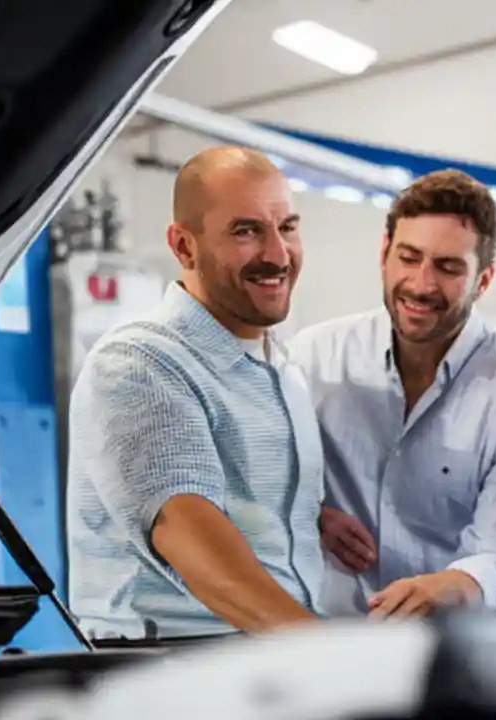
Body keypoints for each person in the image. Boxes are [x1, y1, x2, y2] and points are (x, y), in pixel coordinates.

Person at [66, 146, 325, 640]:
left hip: (268, 661)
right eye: (246, 231)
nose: (276, 254)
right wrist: (330, 649)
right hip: (169, 672)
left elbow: (241, 502)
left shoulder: (280, 367)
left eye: (287, 227)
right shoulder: (140, 363)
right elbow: (188, 532)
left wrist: (306, 514)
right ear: (185, 247)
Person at [287, 169, 496, 619]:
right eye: (409, 258)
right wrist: (305, 510)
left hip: (441, 654)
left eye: (448, 268)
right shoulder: (311, 358)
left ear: (482, 281)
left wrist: (452, 584)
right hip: (313, 641)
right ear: (384, 253)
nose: (422, 284)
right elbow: (251, 480)